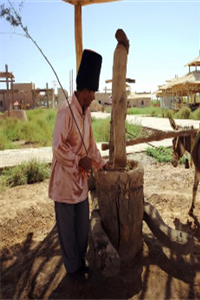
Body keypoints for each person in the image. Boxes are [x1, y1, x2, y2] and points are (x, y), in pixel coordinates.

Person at [49, 49, 108, 283]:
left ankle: (79, 261)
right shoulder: (65, 111)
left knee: (82, 229)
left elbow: (90, 145)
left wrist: (102, 165)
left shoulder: (86, 113)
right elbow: (57, 147)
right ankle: (73, 271)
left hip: (81, 181)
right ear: (84, 90)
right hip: (65, 182)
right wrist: (77, 160)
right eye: (92, 92)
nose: (94, 97)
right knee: (68, 232)